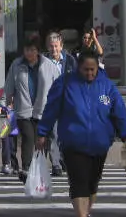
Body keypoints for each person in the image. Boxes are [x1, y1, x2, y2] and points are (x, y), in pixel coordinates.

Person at [36, 49, 126, 217]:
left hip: (100, 144)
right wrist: (42, 132)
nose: (89, 73)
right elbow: (51, 110)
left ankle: (86, 212)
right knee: (78, 182)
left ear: (97, 68)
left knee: (92, 183)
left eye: (93, 70)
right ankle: (81, 215)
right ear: (78, 68)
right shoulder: (65, 83)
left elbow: (119, 112)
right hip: (73, 142)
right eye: (86, 69)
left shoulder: (107, 86)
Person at [3, 35, 58, 182]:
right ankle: (26, 168)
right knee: (28, 138)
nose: (29, 53)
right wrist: (8, 101)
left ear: (38, 51)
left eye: (32, 50)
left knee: (40, 141)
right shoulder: (17, 65)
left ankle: (38, 167)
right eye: (27, 50)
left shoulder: (48, 65)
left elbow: (58, 86)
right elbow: (9, 85)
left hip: (43, 110)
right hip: (24, 109)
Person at [45, 31, 77, 176]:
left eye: (56, 46)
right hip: (50, 102)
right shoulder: (43, 61)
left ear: (61, 46)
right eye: (51, 46)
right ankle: (56, 164)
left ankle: (64, 159)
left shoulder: (70, 60)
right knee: (54, 134)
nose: (54, 49)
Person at [0, 103, 19, 175]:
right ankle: (5, 165)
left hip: (14, 129)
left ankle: (15, 166)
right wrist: (4, 112)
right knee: (6, 147)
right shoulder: (3, 101)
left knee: (13, 148)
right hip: (4, 128)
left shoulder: (18, 102)